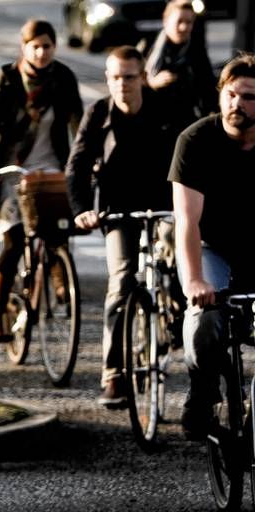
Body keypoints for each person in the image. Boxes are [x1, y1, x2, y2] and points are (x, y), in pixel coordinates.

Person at [66, 46, 184, 408]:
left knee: (178, 256)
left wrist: (187, 208)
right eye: (115, 77)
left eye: (129, 77)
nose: (121, 84)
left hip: (165, 205)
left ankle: (174, 315)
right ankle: (113, 374)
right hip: (118, 209)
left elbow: (189, 159)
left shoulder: (166, 110)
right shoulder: (98, 113)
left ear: (142, 78)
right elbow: (78, 166)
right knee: (121, 282)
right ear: (107, 78)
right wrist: (84, 210)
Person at [0, 19, 82, 342]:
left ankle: (59, 274)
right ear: (24, 48)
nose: (41, 52)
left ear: (54, 47)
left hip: (51, 165)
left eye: (47, 46)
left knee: (58, 228)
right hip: (11, 169)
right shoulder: (7, 79)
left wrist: (85, 161)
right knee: (16, 240)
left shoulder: (63, 77)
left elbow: (79, 122)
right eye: (35, 46)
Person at [169, 54, 255, 440]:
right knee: (203, 322)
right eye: (232, 95)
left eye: (250, 97)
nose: (238, 105)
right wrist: (194, 282)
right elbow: (186, 221)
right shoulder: (195, 141)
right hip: (212, 246)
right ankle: (203, 390)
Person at [139, 0, 216, 123]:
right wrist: (152, 83)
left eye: (189, 22)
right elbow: (131, 80)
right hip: (151, 116)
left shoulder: (197, 51)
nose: (184, 27)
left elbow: (208, 89)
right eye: (179, 21)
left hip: (185, 119)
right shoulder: (148, 45)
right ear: (166, 21)